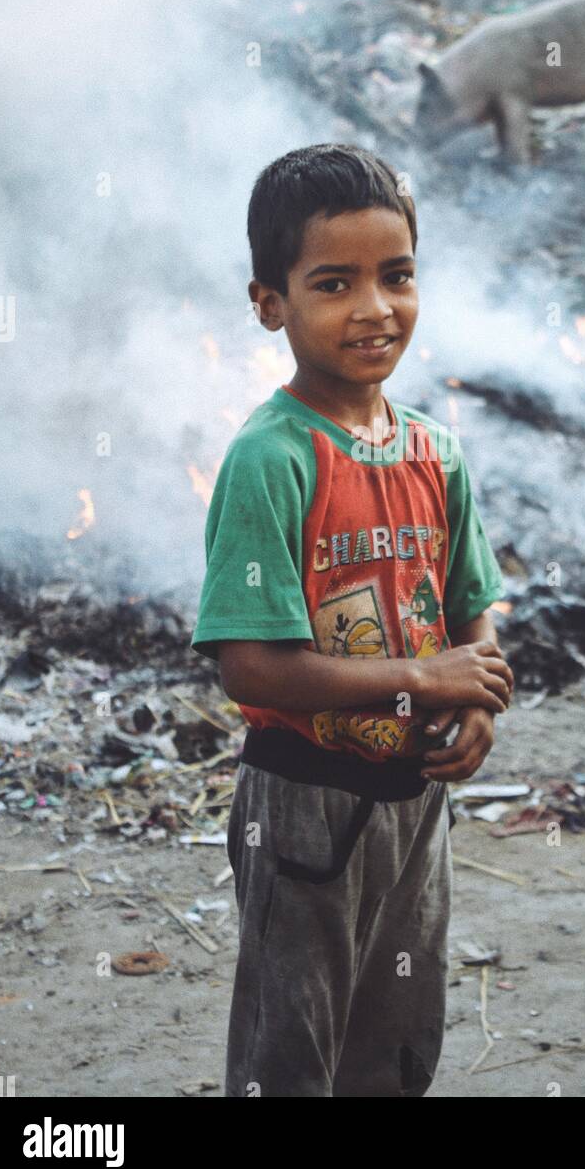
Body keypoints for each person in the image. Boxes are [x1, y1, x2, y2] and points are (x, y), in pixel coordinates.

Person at [191, 142, 514, 1097]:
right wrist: (424, 679)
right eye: (334, 283)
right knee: (294, 1042)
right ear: (270, 304)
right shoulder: (273, 458)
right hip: (302, 802)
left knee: (399, 1032)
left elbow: (471, 616)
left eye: (397, 275)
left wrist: (480, 701)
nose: (375, 308)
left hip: (417, 802)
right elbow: (251, 667)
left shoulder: (434, 451)